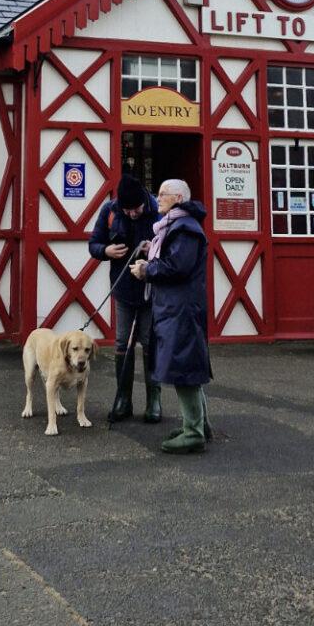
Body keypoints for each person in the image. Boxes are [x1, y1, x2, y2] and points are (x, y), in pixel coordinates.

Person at [130, 178, 212, 453]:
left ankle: (194, 433)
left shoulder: (185, 228)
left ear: (178, 198)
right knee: (186, 367)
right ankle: (199, 425)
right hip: (177, 307)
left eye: (163, 194)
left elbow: (177, 267)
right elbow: (173, 260)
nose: (158, 198)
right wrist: (151, 255)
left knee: (183, 369)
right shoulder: (177, 226)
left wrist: (146, 270)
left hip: (181, 309)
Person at [89, 175, 160, 422]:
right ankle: (123, 400)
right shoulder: (109, 210)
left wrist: (153, 250)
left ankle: (154, 402)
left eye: (136, 209)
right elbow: (93, 244)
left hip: (151, 289)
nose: (132, 214)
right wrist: (105, 251)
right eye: (127, 210)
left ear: (144, 201)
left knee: (150, 343)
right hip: (123, 288)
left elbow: (172, 248)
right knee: (122, 343)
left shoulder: (158, 211)